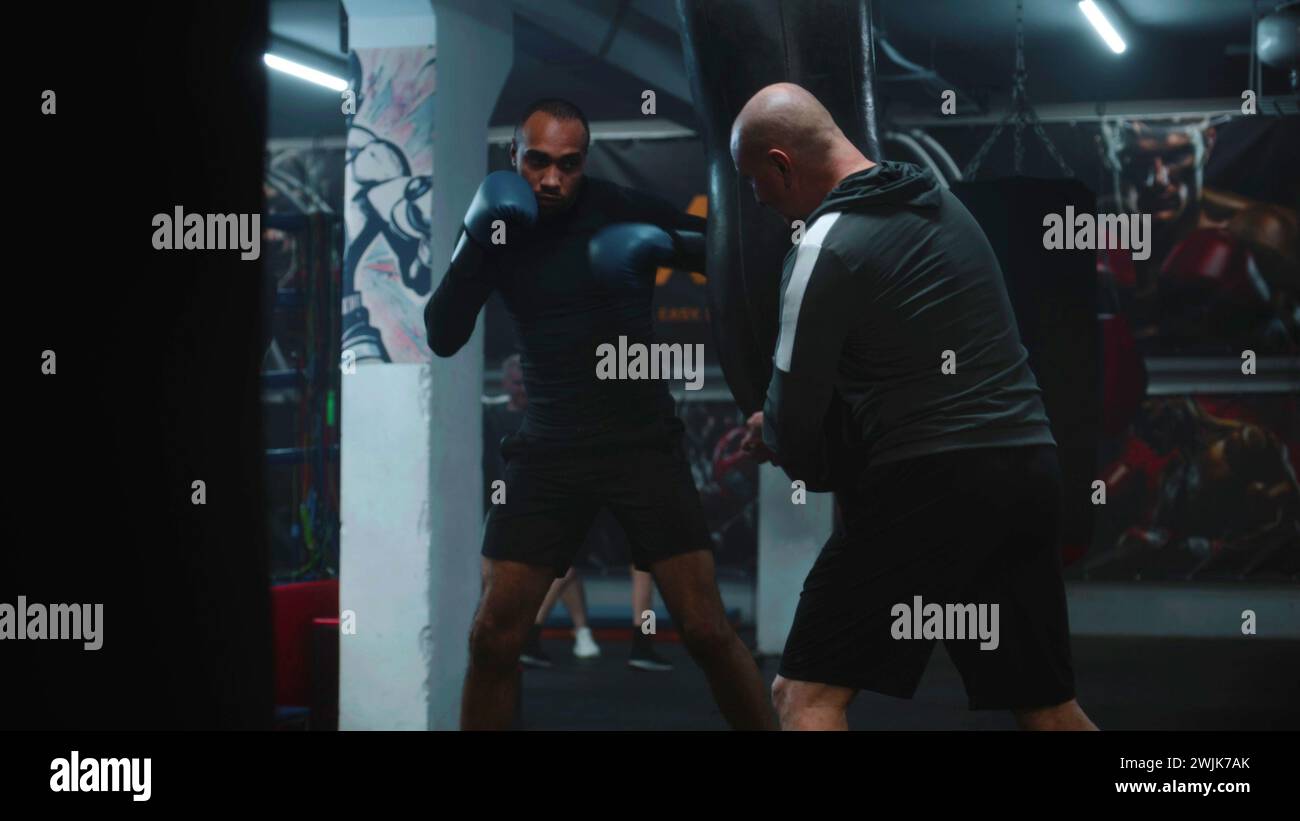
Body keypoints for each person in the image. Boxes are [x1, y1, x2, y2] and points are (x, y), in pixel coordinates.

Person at [730, 83, 1098, 731]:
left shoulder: (823, 246)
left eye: (753, 179)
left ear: (782, 164)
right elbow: (915, 362)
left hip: (930, 482)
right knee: (1047, 705)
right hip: (1027, 469)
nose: (754, 197)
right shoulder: (943, 203)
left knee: (804, 694)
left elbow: (794, 428)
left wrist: (781, 439)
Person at [427, 98, 774, 730]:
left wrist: (763, 391)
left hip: (640, 444)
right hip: (547, 450)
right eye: (536, 162)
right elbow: (442, 334)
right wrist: (475, 241)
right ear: (514, 156)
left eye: (568, 164)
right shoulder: (495, 228)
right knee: (492, 638)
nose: (551, 179)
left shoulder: (622, 207)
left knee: (706, 631)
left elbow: (736, 266)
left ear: (585, 162)